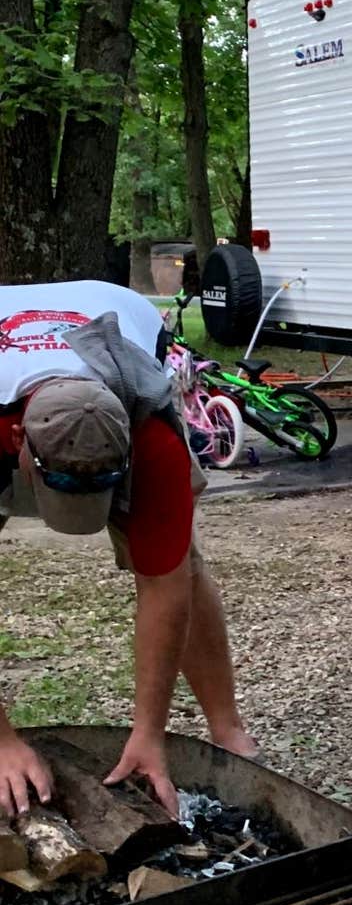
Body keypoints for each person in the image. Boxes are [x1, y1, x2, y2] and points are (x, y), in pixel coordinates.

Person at [0, 280, 258, 818]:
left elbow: (164, 586)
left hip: (118, 327)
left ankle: (229, 731)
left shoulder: (151, 434)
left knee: (182, 557)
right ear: (20, 440)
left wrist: (150, 734)